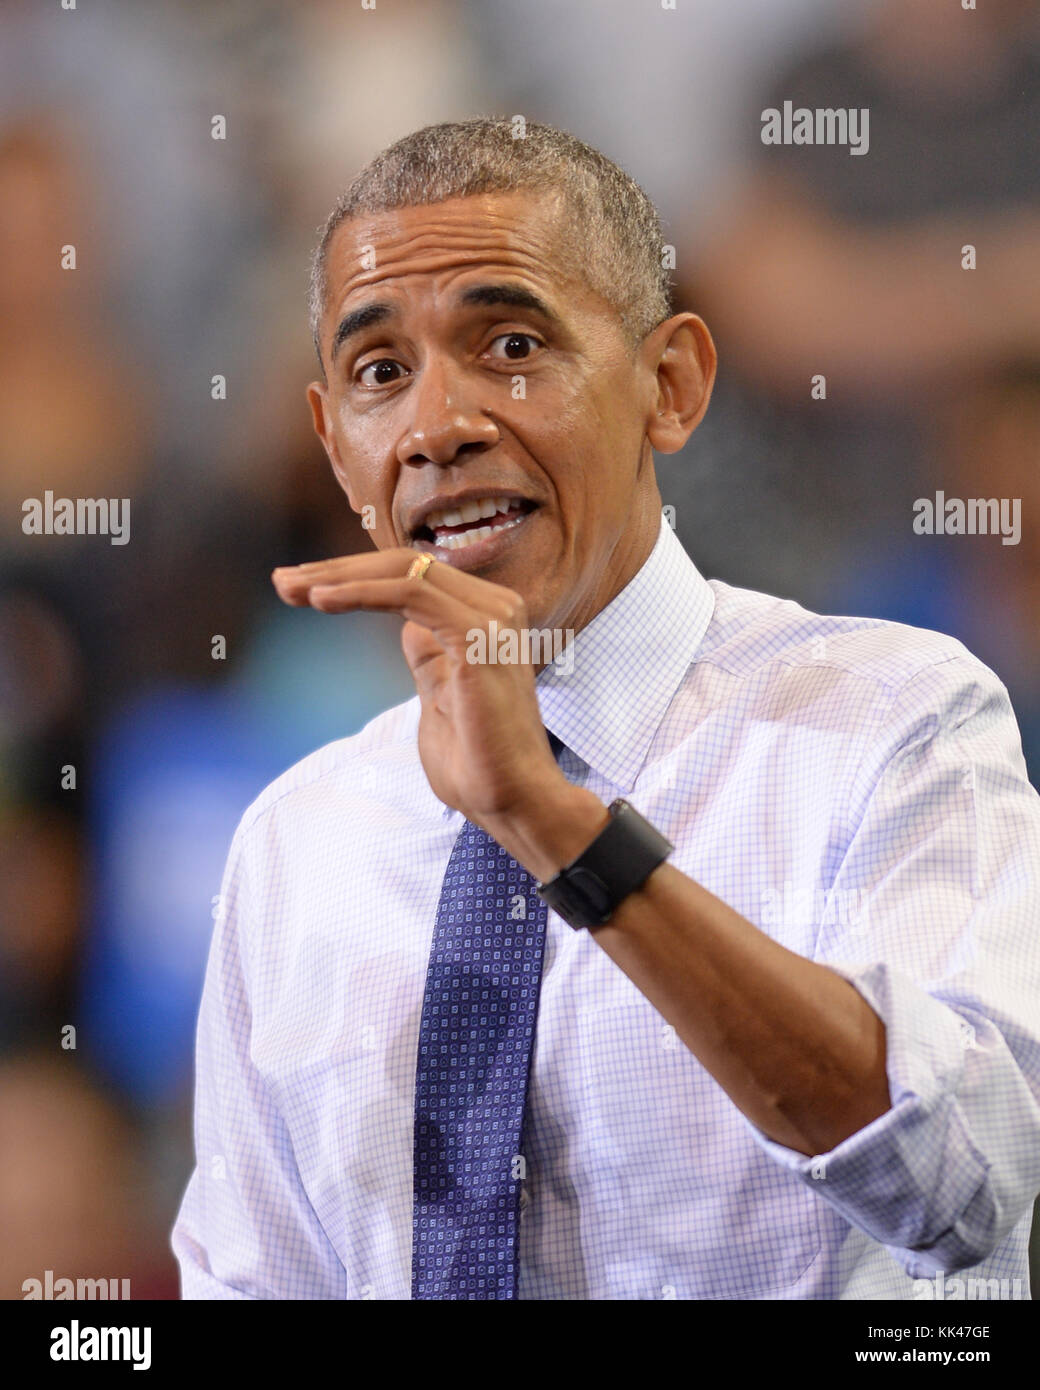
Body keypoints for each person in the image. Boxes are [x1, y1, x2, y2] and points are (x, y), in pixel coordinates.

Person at [171, 118, 1040, 1300]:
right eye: (380, 373)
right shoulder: (293, 841)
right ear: (334, 443)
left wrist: (553, 825)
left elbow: (965, 1191)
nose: (436, 427)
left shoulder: (891, 720)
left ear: (668, 385)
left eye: (511, 344)